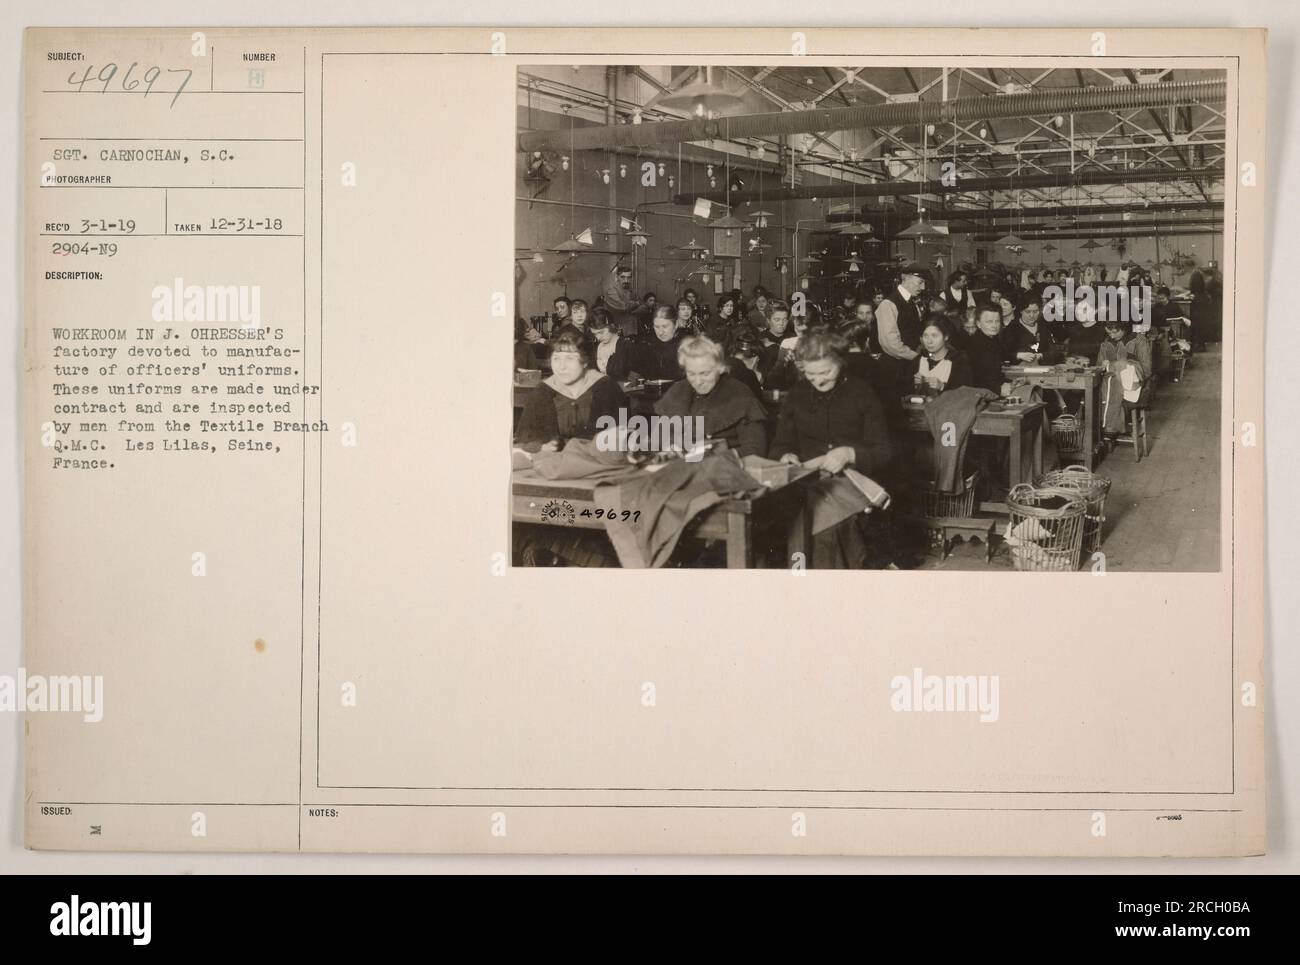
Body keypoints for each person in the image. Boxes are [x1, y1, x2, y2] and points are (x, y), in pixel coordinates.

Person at [769, 333, 896, 568]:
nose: (818, 381)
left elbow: (884, 451)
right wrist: (785, 455)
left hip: (852, 481)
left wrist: (850, 453)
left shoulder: (862, 393)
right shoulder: (797, 394)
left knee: (826, 528)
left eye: (825, 372)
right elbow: (780, 444)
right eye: (810, 374)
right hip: (807, 481)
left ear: (840, 363)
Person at [653, 336, 769, 458]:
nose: (698, 381)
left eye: (705, 373)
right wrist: (668, 450)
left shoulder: (740, 394)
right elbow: (659, 440)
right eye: (691, 373)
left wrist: (716, 457)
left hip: (725, 469)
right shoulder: (677, 391)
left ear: (719, 368)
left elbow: (755, 449)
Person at [514, 331, 628, 451]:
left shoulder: (605, 387)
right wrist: (541, 447)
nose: (562, 366)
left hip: (599, 459)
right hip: (555, 462)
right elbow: (525, 439)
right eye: (556, 359)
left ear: (584, 362)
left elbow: (622, 434)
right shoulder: (542, 391)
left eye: (570, 358)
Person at [875, 263, 928, 392]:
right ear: (905, 278)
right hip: (894, 369)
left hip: (909, 365)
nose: (923, 287)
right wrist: (916, 357)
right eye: (920, 282)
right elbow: (890, 344)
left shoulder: (913, 302)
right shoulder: (888, 304)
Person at [1097, 320, 1152, 437]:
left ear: (1124, 328)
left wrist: (1122, 366)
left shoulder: (1139, 340)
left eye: (1115, 332)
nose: (1111, 336)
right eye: (1108, 333)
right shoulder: (1107, 342)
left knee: (1113, 382)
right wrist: (1103, 364)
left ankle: (1109, 426)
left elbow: (1147, 371)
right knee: (1103, 386)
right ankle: (1105, 427)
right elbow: (1099, 366)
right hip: (1111, 385)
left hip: (1135, 387)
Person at [912, 315, 972, 394]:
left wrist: (942, 386)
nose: (929, 341)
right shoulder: (919, 359)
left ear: (946, 337)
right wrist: (914, 383)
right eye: (925, 336)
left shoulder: (959, 360)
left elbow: (966, 393)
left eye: (934, 336)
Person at [1001, 294, 1063, 364]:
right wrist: (1018, 355)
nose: (1031, 315)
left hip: (1042, 370)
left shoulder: (1043, 327)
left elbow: (1055, 352)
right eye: (1028, 312)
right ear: (1021, 311)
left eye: (1035, 311)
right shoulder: (1012, 329)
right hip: (1018, 371)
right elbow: (1001, 354)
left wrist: (1041, 355)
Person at [964, 303, 1010, 394]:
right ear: (978, 324)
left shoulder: (994, 340)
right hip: (982, 394)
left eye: (997, 321)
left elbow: (995, 375)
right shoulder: (973, 345)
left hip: (995, 388)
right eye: (989, 322)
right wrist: (998, 389)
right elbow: (974, 381)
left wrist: (1009, 383)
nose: (994, 325)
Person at [628, 307, 685, 382]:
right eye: (657, 327)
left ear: (676, 324)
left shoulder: (687, 345)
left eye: (665, 326)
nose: (660, 332)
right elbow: (633, 376)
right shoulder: (646, 344)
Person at [590, 312, 633, 380]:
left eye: (601, 332)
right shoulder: (597, 347)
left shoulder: (626, 345)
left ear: (611, 327)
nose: (598, 337)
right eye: (595, 334)